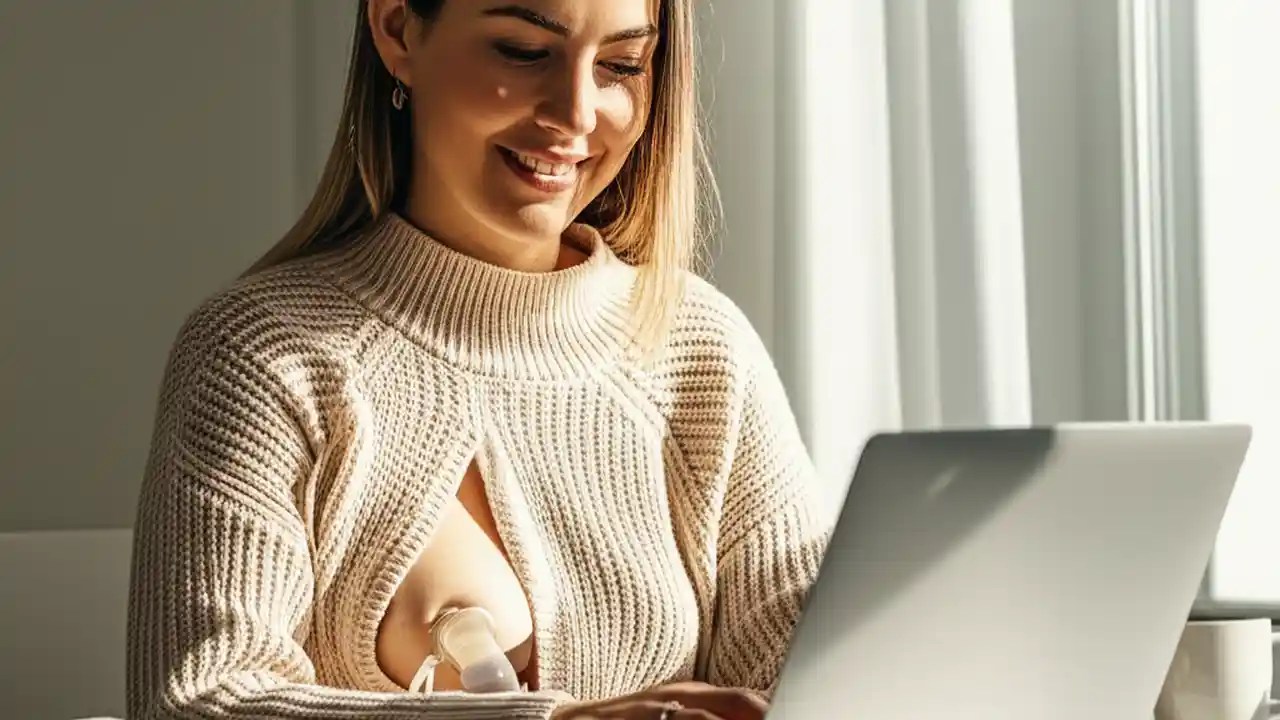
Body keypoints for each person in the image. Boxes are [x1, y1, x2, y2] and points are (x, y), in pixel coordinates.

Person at [126, 1, 831, 718]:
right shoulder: (262, 355)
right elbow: (198, 702)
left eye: (620, 66)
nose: (577, 113)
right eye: (524, 51)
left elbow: (825, 680)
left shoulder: (700, 349)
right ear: (398, 28)